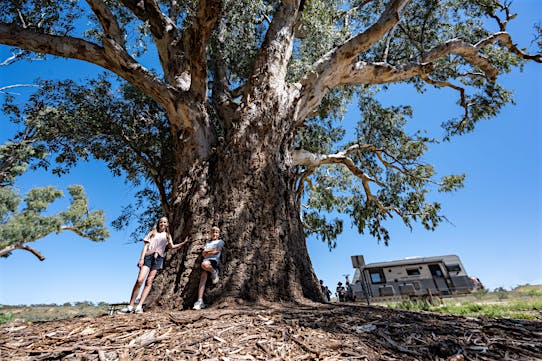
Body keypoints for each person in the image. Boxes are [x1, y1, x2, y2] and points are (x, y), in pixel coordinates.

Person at [118, 217, 186, 314]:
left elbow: (172, 246)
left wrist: (183, 243)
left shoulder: (167, 235)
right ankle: (130, 306)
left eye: (165, 222)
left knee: (149, 281)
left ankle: (139, 306)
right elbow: (145, 247)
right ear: (158, 223)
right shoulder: (152, 233)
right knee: (140, 280)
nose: (162, 223)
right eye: (161, 222)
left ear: (167, 224)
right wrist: (141, 259)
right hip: (148, 257)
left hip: (159, 258)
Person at [193, 226, 224, 310]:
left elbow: (216, 252)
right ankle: (200, 301)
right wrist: (209, 251)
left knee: (204, 264)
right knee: (202, 279)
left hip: (213, 261)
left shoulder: (220, 241)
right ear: (211, 233)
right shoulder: (208, 243)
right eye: (213, 232)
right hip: (206, 260)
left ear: (218, 234)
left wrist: (208, 252)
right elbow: (203, 254)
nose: (214, 234)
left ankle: (214, 272)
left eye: (216, 232)